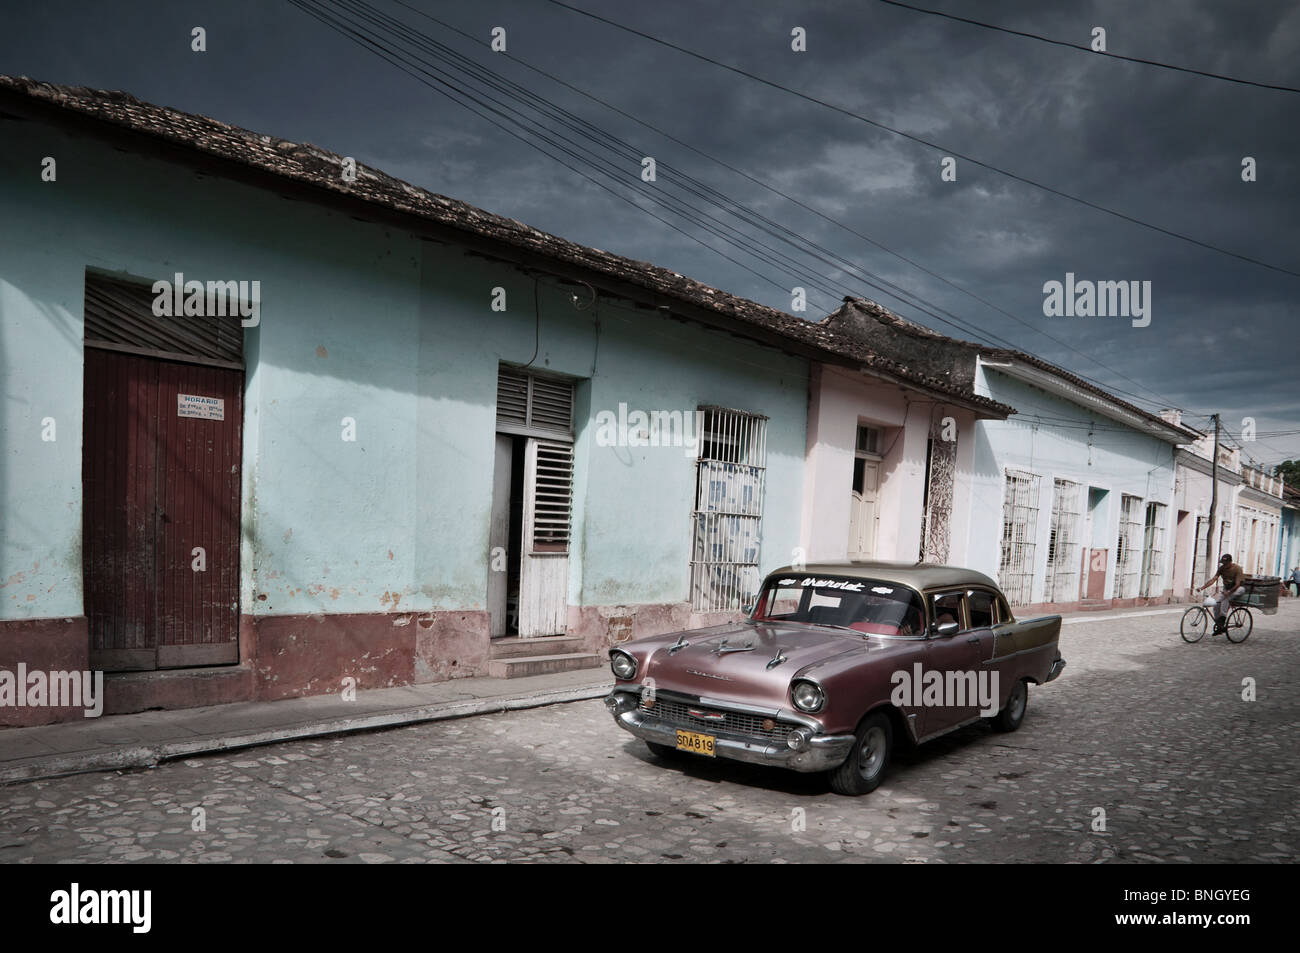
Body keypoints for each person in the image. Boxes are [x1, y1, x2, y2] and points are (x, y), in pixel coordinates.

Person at [1196, 554, 1246, 635]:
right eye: (1223, 563)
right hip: (1227, 589)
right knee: (1216, 604)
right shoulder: (1222, 568)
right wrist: (1202, 588)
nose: (1224, 565)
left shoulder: (1237, 569)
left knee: (1225, 600)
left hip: (1239, 588)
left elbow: (1237, 584)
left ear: (1230, 562)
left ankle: (1222, 620)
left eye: (1226, 563)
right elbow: (1213, 579)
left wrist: (1229, 592)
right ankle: (1219, 625)